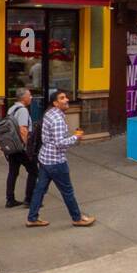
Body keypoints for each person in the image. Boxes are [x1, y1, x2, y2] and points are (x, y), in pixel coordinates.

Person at [28, 90, 94, 228]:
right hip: (56, 161)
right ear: (55, 103)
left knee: (40, 189)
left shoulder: (49, 113)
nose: (67, 100)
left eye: (66, 97)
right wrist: (76, 137)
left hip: (45, 158)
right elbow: (59, 143)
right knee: (67, 191)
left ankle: (32, 218)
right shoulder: (57, 119)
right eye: (62, 98)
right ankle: (77, 218)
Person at [0, 90, 39, 208]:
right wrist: (26, 147)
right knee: (34, 171)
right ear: (23, 97)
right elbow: (23, 130)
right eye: (29, 95)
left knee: (13, 172)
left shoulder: (11, 109)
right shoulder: (23, 110)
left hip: (12, 147)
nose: (31, 97)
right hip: (20, 147)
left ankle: (10, 199)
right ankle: (29, 200)